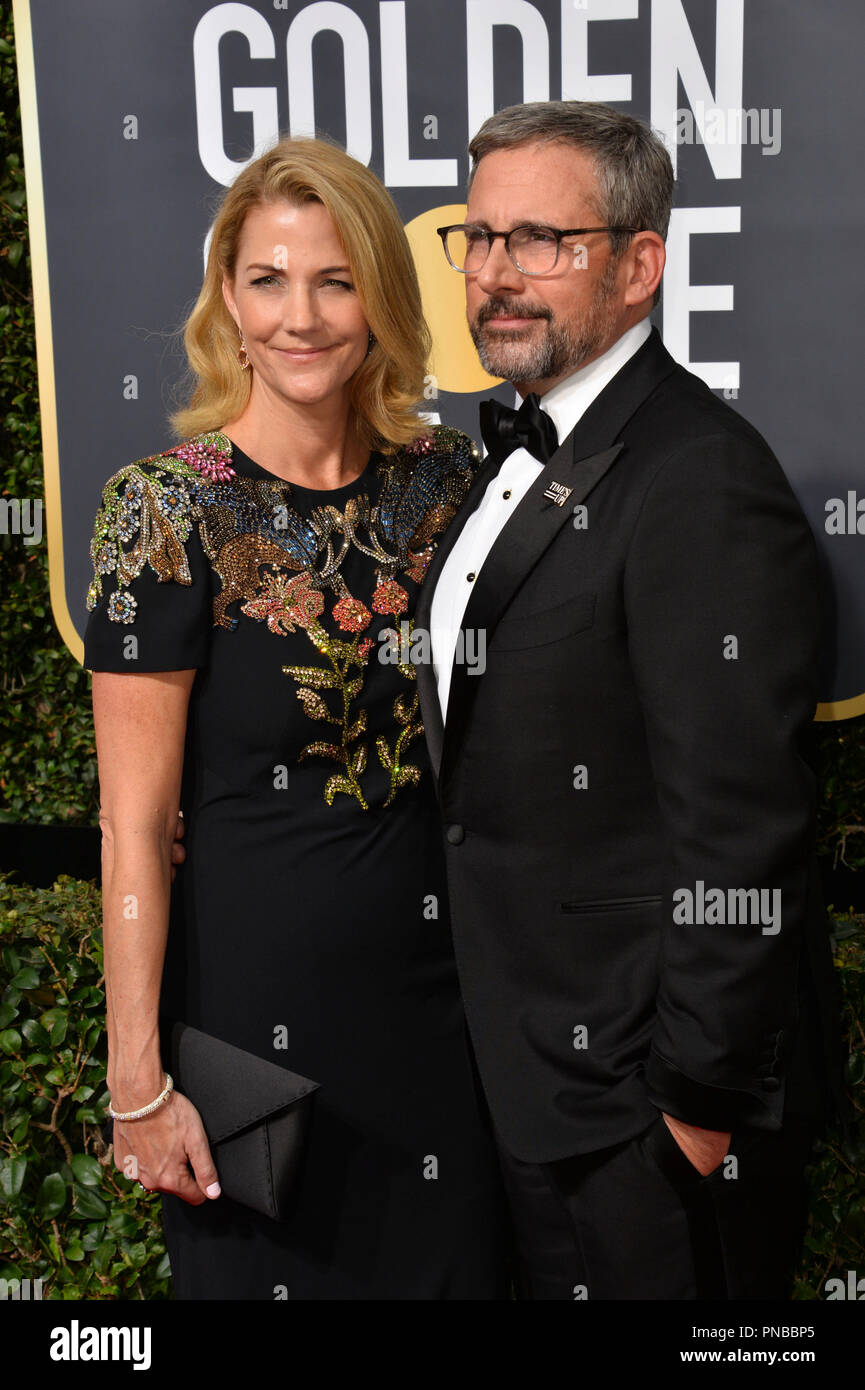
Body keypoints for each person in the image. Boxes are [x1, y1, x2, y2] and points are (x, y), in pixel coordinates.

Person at [413, 100, 842, 1300]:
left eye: (543, 241)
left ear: (640, 265)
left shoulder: (698, 477)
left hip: (640, 1119)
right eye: (480, 237)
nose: (497, 274)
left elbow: (746, 826)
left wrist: (691, 1118)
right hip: (531, 1081)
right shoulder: (523, 450)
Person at [84, 136, 510, 1300]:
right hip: (247, 1042)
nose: (301, 316)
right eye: (267, 279)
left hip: (445, 1028)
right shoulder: (164, 513)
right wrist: (136, 1080)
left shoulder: (452, 490)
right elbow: (134, 826)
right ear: (227, 296)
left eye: (333, 279)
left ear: (379, 292)